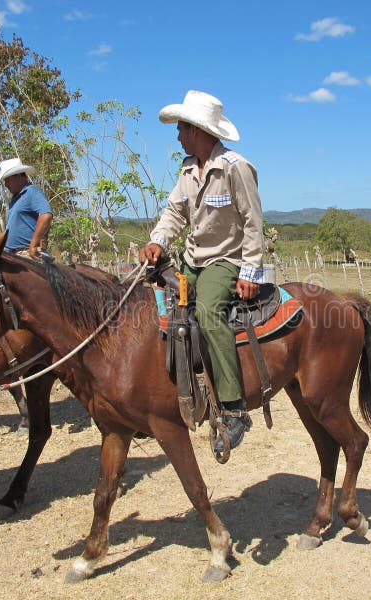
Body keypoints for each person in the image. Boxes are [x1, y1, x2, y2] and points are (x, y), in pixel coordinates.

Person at [139, 90, 265, 456]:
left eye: (181, 129)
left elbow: (253, 223)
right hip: (191, 260)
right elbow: (174, 213)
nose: (178, 135)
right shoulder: (186, 170)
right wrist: (158, 241)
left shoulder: (235, 168)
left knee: (209, 313)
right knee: (154, 305)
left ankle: (233, 407)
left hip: (225, 260)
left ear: (199, 130)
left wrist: (251, 271)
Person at [0, 157, 53, 259]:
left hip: (27, 253)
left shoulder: (31, 192)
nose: (6, 184)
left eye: (7, 180)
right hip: (11, 253)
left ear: (19, 176)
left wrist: (33, 245)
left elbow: (46, 215)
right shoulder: (15, 199)